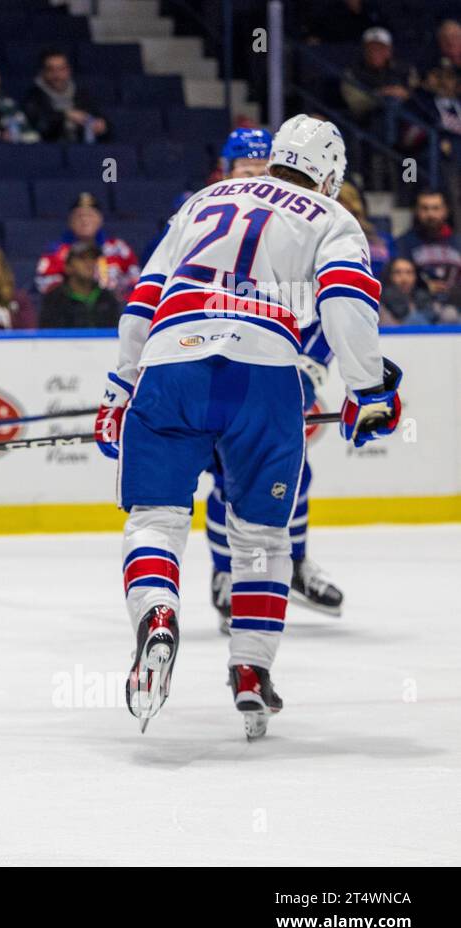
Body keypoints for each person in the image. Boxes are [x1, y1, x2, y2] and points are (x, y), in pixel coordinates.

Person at [95, 114, 401, 739]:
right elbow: (346, 302)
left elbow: (142, 298)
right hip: (263, 376)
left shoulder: (204, 199)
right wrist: (367, 389)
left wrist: (119, 389)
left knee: (155, 519)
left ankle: (157, 613)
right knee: (263, 535)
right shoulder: (331, 217)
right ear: (331, 174)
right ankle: (251, 674)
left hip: (172, 361)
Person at [201, 128, 350, 626]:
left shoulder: (306, 224)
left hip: (278, 369)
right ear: (224, 171)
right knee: (227, 477)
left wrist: (308, 365)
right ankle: (227, 574)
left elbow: (335, 304)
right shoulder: (204, 215)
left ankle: (296, 565)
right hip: (213, 366)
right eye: (241, 164)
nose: (250, 171)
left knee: (293, 472)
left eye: (258, 164)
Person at [35, 192, 138, 298]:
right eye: (79, 216)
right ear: (70, 221)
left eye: (90, 215)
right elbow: (44, 285)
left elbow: (136, 281)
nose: (85, 220)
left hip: (116, 307)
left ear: (100, 220)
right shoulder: (56, 251)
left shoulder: (119, 248)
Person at [23, 48, 108, 143]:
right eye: (51, 70)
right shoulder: (34, 96)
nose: (57, 75)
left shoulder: (82, 95)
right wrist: (65, 116)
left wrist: (102, 126)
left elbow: (100, 119)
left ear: (68, 70)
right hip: (50, 150)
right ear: (43, 72)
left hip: (82, 148)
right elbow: (39, 125)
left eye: (61, 69)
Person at [340, 27, 415, 125]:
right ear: (364, 50)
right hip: (368, 122)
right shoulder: (352, 73)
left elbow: (418, 93)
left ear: (389, 50)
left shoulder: (404, 70)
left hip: (406, 121)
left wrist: (405, 94)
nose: (375, 53)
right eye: (371, 48)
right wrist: (381, 94)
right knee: (389, 104)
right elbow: (355, 104)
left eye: (380, 48)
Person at [38, 241, 121, 328]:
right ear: (68, 267)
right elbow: (47, 337)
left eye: (93, 259)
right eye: (82, 258)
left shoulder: (107, 298)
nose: (89, 263)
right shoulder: (54, 299)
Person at [394, 189, 461, 296]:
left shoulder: (458, 243)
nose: (430, 214)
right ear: (416, 211)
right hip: (418, 304)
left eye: (435, 208)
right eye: (425, 208)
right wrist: (424, 287)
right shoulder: (403, 243)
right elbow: (398, 280)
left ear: (446, 211)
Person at [378, 256, 436, 324]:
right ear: (389, 276)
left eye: (409, 272)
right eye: (398, 272)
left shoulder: (423, 298)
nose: (404, 278)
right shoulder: (379, 305)